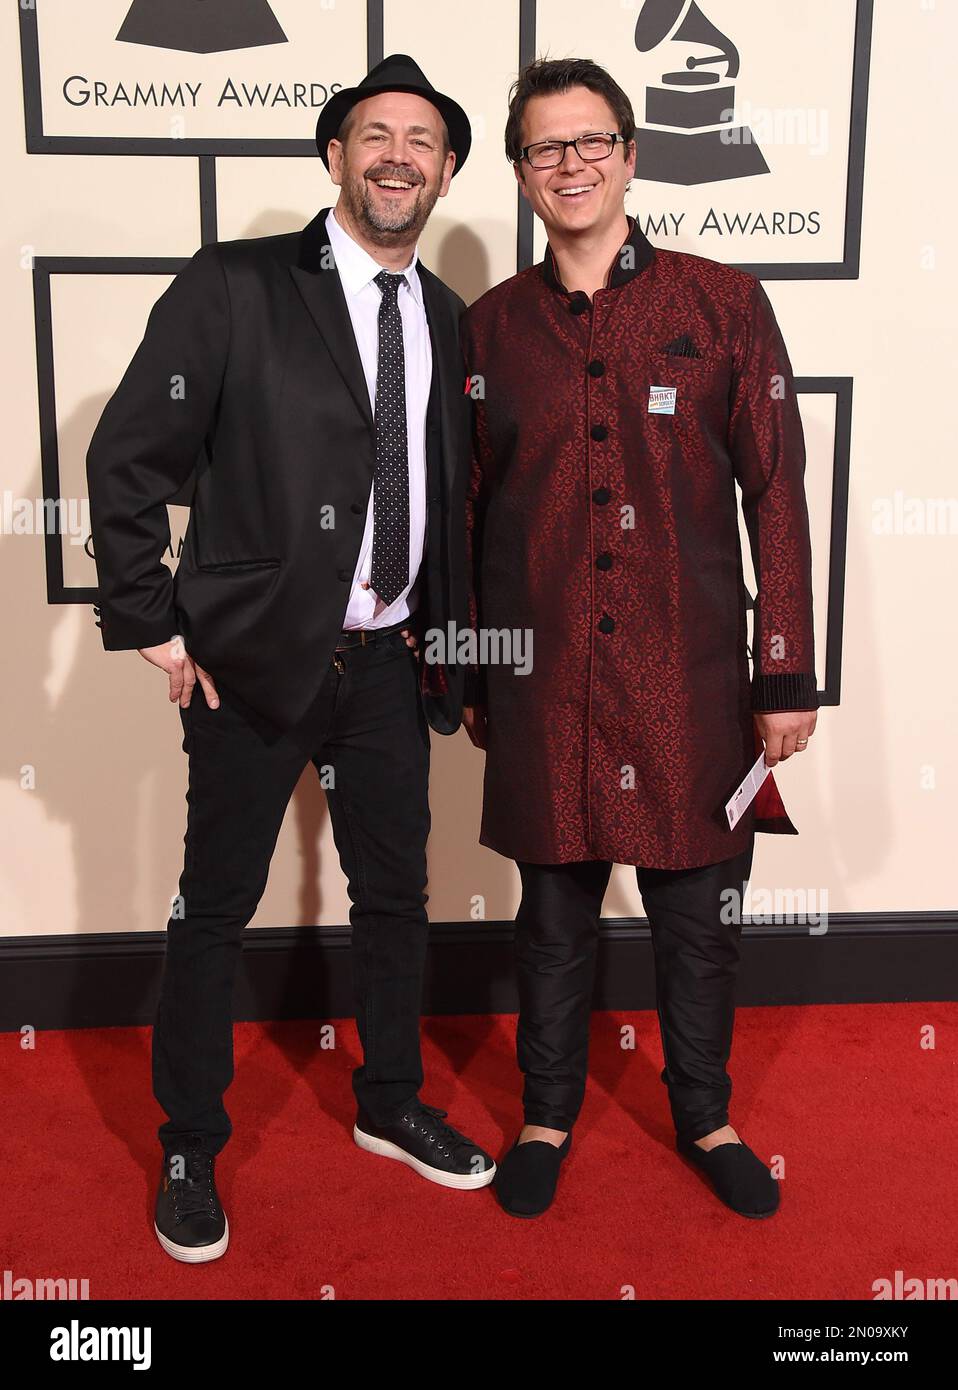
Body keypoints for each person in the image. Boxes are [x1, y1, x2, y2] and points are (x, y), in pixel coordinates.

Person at [86, 54, 494, 1265]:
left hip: (386, 660)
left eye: (421, 140)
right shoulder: (236, 285)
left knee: (398, 896)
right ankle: (189, 1141)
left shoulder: (444, 315)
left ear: (447, 171)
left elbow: (448, 492)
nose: (396, 156)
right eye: (376, 133)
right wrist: (153, 619)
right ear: (333, 154)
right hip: (253, 660)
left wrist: (447, 629)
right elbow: (128, 459)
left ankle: (388, 1102)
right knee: (216, 904)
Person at [460, 57, 819, 1220]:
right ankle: (547, 1113)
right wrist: (466, 666)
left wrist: (786, 671)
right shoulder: (488, 330)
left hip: (695, 679)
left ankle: (705, 1113)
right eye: (544, 149)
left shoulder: (724, 303)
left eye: (590, 142)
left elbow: (776, 494)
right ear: (520, 173)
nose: (570, 165)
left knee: (698, 922)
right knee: (551, 920)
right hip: (544, 679)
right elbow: (463, 513)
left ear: (630, 152)